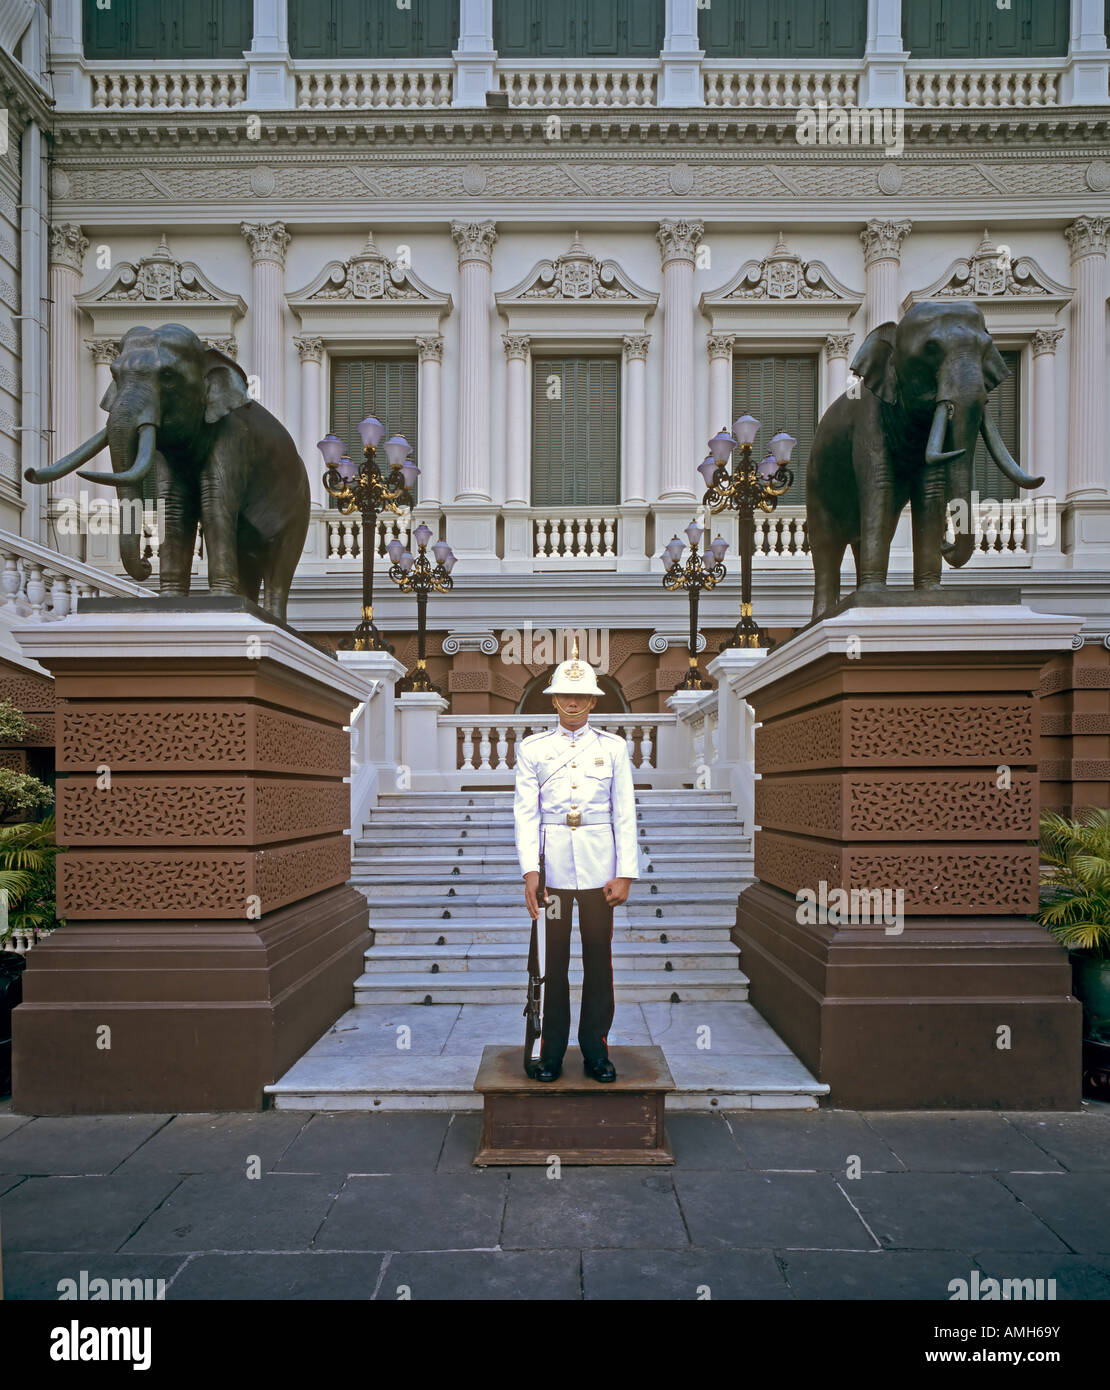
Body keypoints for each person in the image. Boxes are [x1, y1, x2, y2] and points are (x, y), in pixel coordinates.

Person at [513, 641, 639, 1082]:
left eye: (580, 696)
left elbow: (625, 812)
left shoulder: (614, 749)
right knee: (549, 962)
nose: (571, 702)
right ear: (554, 700)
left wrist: (625, 872)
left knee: (597, 961)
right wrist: (531, 872)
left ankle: (595, 1049)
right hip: (552, 874)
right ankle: (548, 1050)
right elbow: (525, 813)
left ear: (591, 701)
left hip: (599, 871)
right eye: (564, 696)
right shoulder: (533, 749)